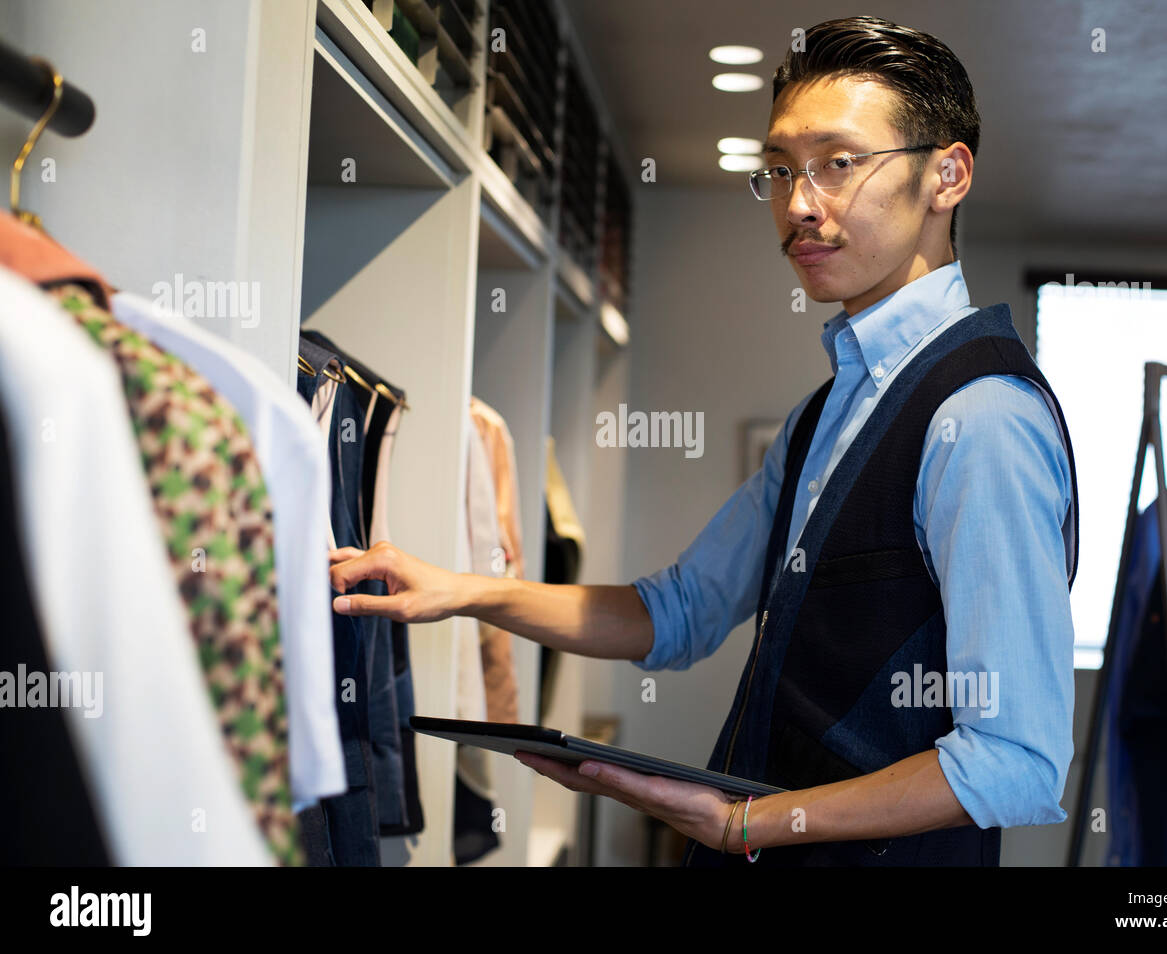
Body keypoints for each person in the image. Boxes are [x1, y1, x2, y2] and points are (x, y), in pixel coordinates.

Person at [327, 15, 1079, 866]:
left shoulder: (979, 417)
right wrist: (462, 592)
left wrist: (750, 824)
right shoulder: (825, 414)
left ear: (947, 175)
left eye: (838, 163)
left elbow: (1016, 759)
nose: (799, 204)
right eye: (781, 170)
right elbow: (676, 611)